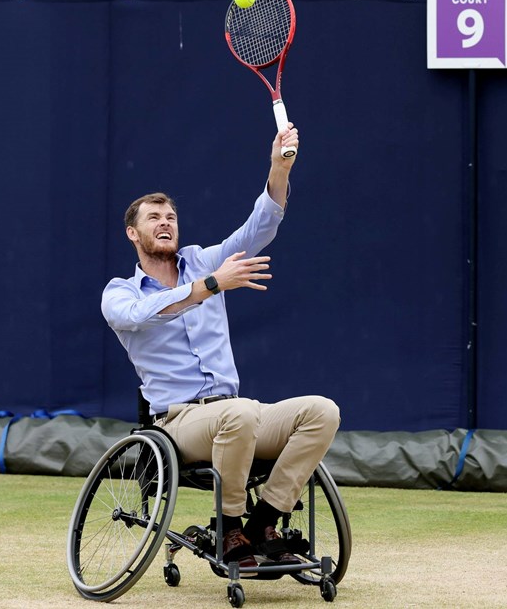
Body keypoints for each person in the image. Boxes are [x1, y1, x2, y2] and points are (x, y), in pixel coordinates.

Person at [101, 124, 341, 569]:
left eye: (170, 217)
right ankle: (229, 526)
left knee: (322, 411)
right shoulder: (120, 291)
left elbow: (258, 229)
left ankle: (264, 521)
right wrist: (210, 285)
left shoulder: (203, 261)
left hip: (237, 414)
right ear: (133, 234)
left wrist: (279, 168)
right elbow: (139, 315)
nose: (165, 222)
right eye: (153, 218)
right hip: (177, 424)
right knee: (240, 412)